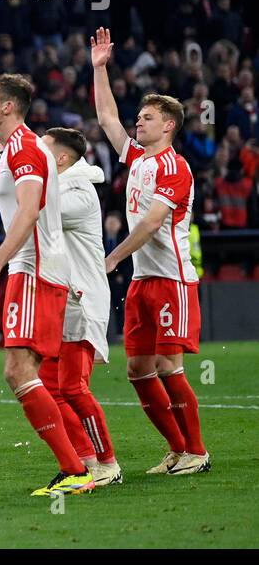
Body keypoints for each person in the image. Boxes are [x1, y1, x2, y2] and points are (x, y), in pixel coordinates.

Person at [92, 28, 210, 476]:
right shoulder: (139, 159)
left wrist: (114, 256)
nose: (137, 123)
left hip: (173, 280)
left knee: (167, 365)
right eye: (138, 117)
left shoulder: (175, 168)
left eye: (146, 118)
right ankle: (178, 447)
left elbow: (151, 222)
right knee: (138, 370)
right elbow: (106, 117)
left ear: (169, 125)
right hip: (143, 281)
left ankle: (197, 450)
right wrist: (100, 67)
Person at [0, 74, 94, 496]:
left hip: (34, 268)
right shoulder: (17, 149)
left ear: (8, 106)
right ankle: (82, 464)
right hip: (37, 269)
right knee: (34, 374)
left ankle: (77, 469)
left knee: (18, 369)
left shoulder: (24, 148)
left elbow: (28, 212)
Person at [42, 127, 121, 486]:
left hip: (81, 298)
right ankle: (85, 459)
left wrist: (13, 168)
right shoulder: (63, 185)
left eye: (41, 149)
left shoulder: (79, 193)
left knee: (72, 387)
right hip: (62, 298)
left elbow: (42, 212)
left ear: (60, 158)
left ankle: (107, 463)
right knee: (47, 385)